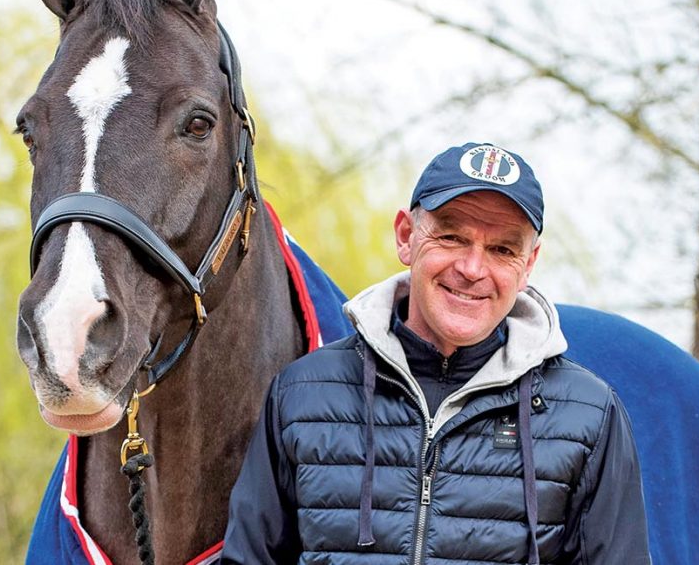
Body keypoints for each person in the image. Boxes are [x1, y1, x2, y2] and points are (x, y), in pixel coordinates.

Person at [222, 142, 651, 564]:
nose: (472, 269)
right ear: (406, 237)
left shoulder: (589, 417)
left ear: (528, 264)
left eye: (502, 249)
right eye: (452, 237)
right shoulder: (301, 395)